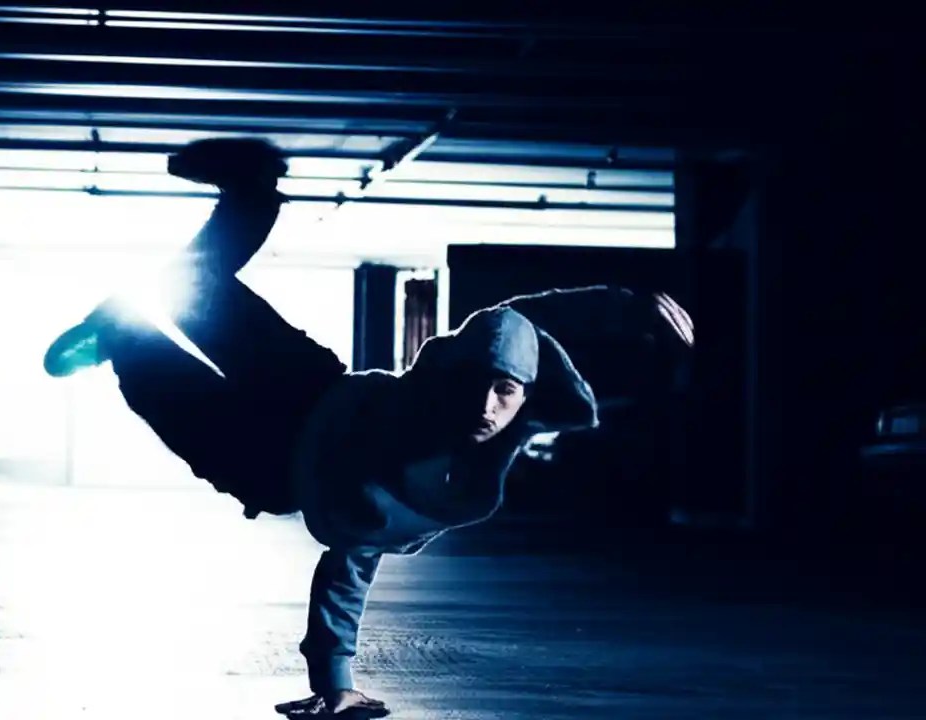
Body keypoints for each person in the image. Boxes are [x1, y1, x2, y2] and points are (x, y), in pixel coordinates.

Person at [44, 138, 694, 718]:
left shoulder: (447, 485)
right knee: (194, 285)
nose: (487, 408)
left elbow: (349, 568)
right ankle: (249, 191)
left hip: (270, 465)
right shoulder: (437, 390)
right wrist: (626, 307)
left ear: (525, 400)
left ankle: (117, 336)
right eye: (477, 385)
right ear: (450, 378)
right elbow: (509, 320)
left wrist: (334, 678)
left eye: (506, 393)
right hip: (312, 386)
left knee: (161, 383)